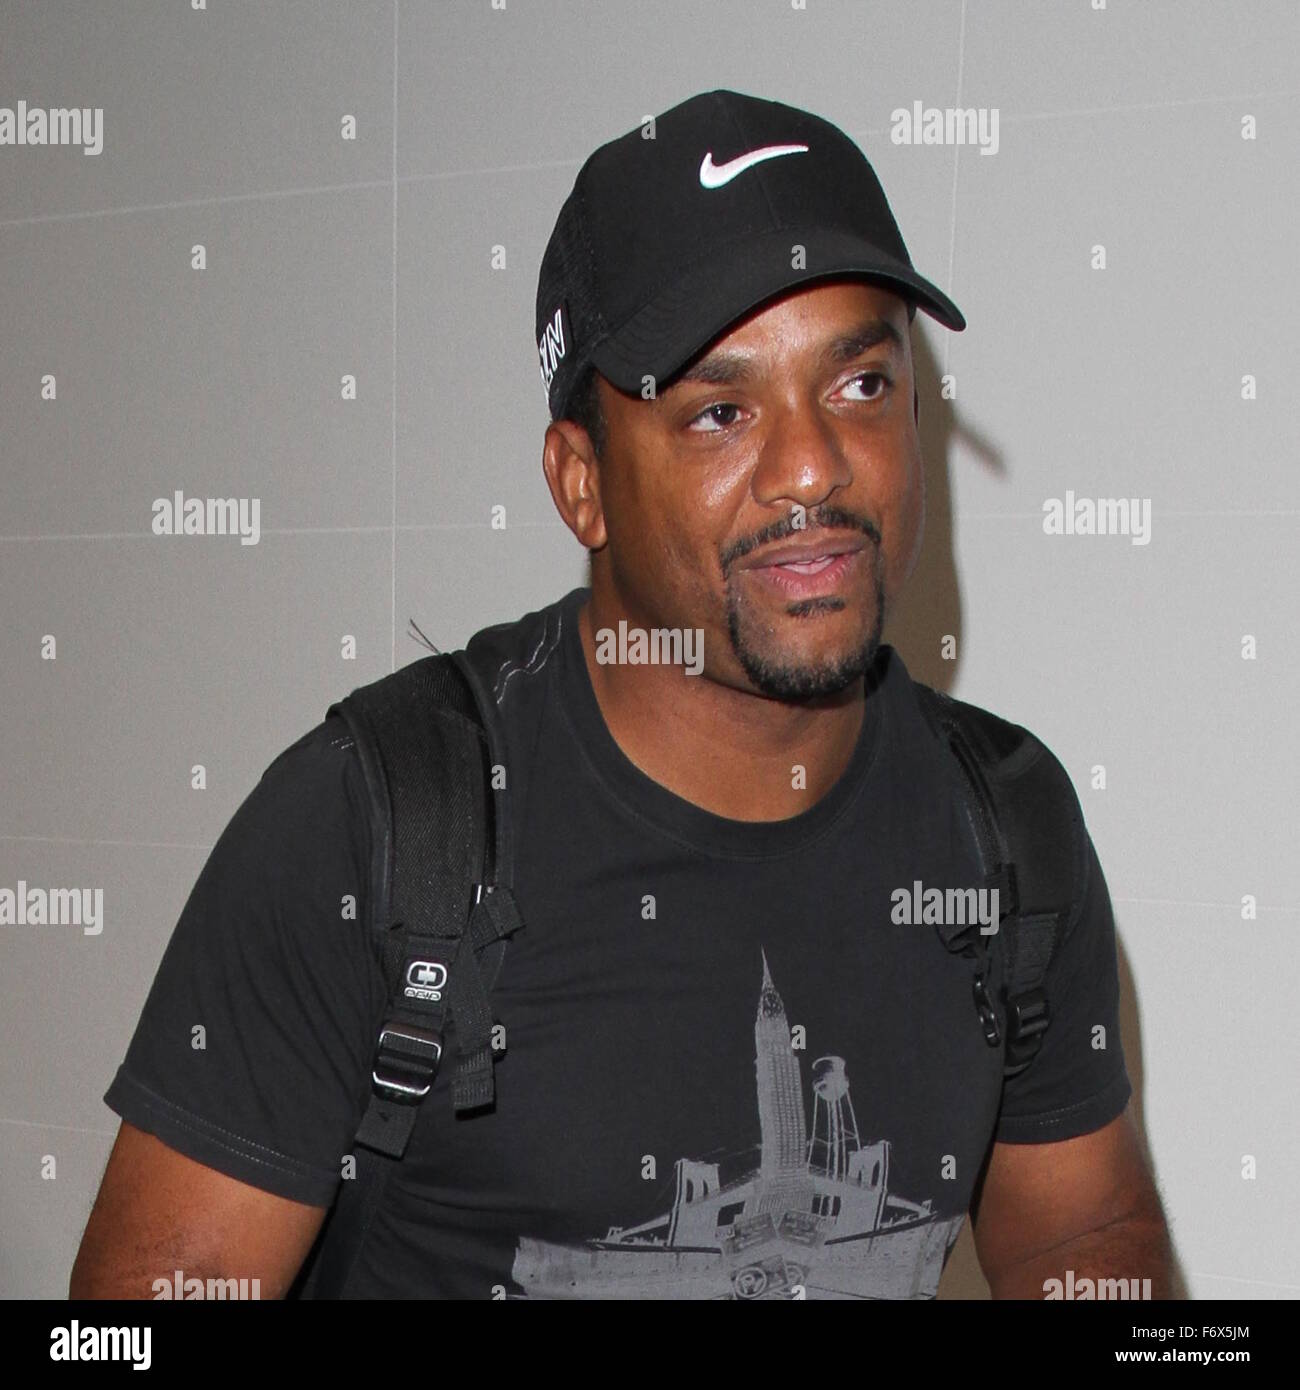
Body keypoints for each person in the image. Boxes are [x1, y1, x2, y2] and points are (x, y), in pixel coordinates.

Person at [70, 88, 1172, 1300]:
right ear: (580, 482)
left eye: (858, 385)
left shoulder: (1006, 828)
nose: (810, 463)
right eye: (719, 412)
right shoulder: (373, 825)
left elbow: (1084, 1235)